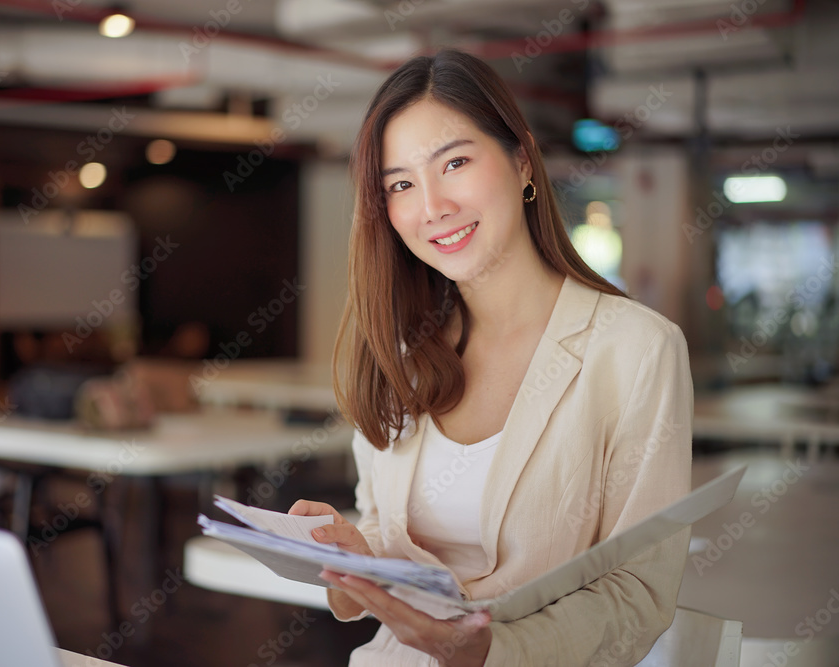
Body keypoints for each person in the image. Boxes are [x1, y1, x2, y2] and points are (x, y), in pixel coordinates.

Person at [288, 49, 693, 666]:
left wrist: (493, 651)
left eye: (454, 162)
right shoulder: (404, 352)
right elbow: (386, 527)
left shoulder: (636, 351)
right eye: (400, 184)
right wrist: (356, 550)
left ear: (523, 160)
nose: (432, 206)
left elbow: (638, 592)